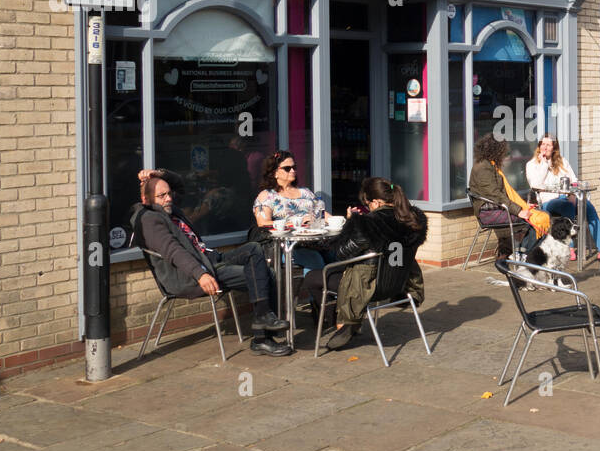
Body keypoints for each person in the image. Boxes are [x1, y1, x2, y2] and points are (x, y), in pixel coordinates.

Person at [132, 168, 292, 356]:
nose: (168, 198)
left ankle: (264, 318)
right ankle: (262, 338)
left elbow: (180, 185)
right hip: (190, 275)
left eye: (168, 194)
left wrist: (158, 174)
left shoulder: (169, 209)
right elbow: (173, 251)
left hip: (209, 259)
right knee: (264, 273)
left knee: (254, 249)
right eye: (161, 196)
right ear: (146, 200)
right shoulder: (149, 220)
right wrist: (200, 274)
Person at [303, 178, 427, 351]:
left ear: (376, 202)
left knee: (312, 277)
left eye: (367, 204)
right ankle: (344, 322)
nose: (367, 208)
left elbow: (341, 253)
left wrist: (351, 223)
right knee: (338, 271)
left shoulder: (369, 223)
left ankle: (340, 323)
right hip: (397, 285)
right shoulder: (413, 220)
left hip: (368, 287)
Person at [252, 150, 330, 302]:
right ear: (275, 172)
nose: (293, 171)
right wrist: (295, 222)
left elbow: (323, 214)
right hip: (285, 247)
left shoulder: (305, 193)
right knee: (314, 260)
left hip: (315, 242)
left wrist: (344, 219)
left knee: (335, 257)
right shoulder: (267, 196)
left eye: (294, 167)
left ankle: (333, 301)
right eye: (287, 168)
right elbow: (262, 223)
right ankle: (322, 306)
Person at [524, 133, 600, 262]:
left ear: (554, 147)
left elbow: (574, 181)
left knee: (588, 206)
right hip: (548, 201)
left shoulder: (562, 161)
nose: (545, 147)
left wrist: (573, 194)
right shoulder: (532, 164)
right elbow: (535, 184)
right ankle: (569, 247)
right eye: (543, 144)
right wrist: (544, 164)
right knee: (567, 206)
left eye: (548, 145)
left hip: (567, 198)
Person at [468, 133, 546, 259]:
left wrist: (523, 206)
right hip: (488, 212)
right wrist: (519, 210)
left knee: (538, 215)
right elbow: (496, 195)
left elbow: (503, 194)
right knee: (534, 219)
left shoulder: (490, 164)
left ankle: (517, 253)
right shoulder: (483, 168)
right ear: (496, 150)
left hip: (496, 206)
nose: (505, 154)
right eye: (504, 150)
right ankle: (524, 255)